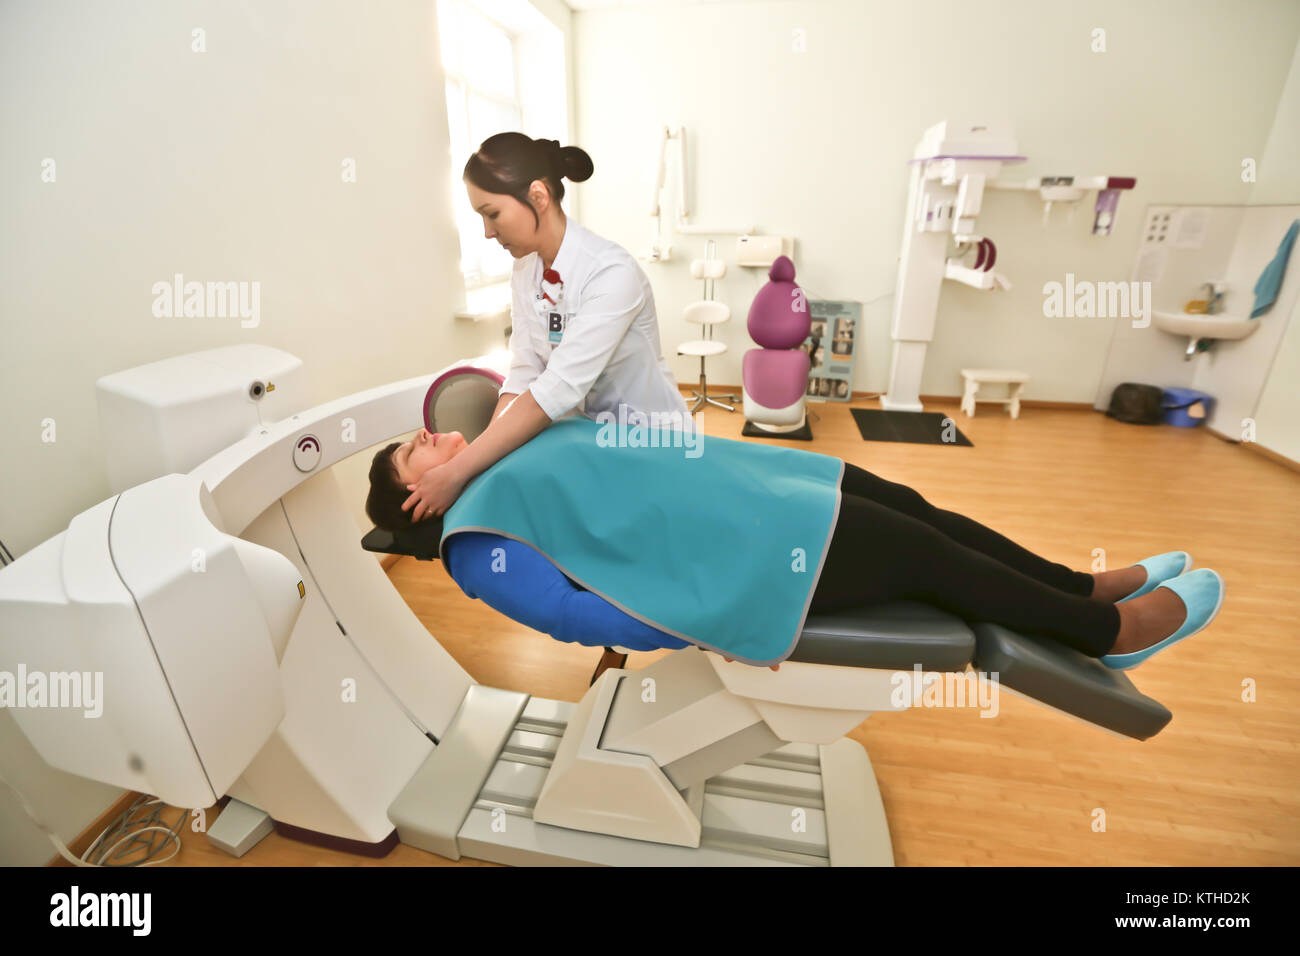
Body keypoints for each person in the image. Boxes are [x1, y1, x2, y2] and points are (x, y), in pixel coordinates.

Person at [367, 423, 1225, 673]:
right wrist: (696, 619)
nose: (441, 436)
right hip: (743, 557)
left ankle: (1079, 588)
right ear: (417, 496)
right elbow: (568, 613)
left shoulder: (496, 451)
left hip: (754, 496)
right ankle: (1104, 635)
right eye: (422, 448)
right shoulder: (477, 545)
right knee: (929, 559)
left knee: (921, 510)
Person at [403, 132, 690, 523]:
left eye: (493, 214)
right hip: (587, 444)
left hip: (652, 443)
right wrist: (485, 460)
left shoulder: (610, 272)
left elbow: (556, 389)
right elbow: (524, 371)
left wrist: (459, 470)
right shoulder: (526, 269)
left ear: (538, 196)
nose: (488, 232)